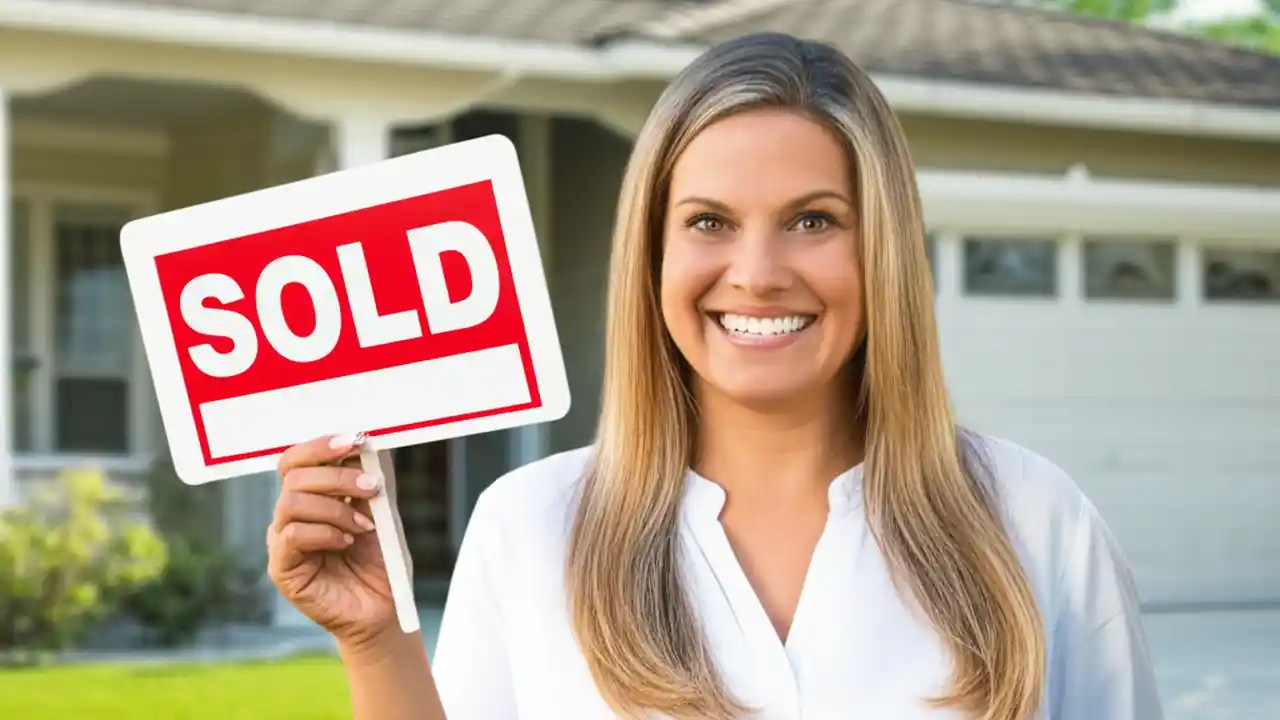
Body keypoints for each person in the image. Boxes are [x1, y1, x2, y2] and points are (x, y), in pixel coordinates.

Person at [266, 32, 1162, 720]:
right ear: (651, 252)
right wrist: (376, 641)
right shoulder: (530, 526)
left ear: (885, 247)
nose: (759, 271)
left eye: (814, 221)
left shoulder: (1034, 521)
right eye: (708, 222)